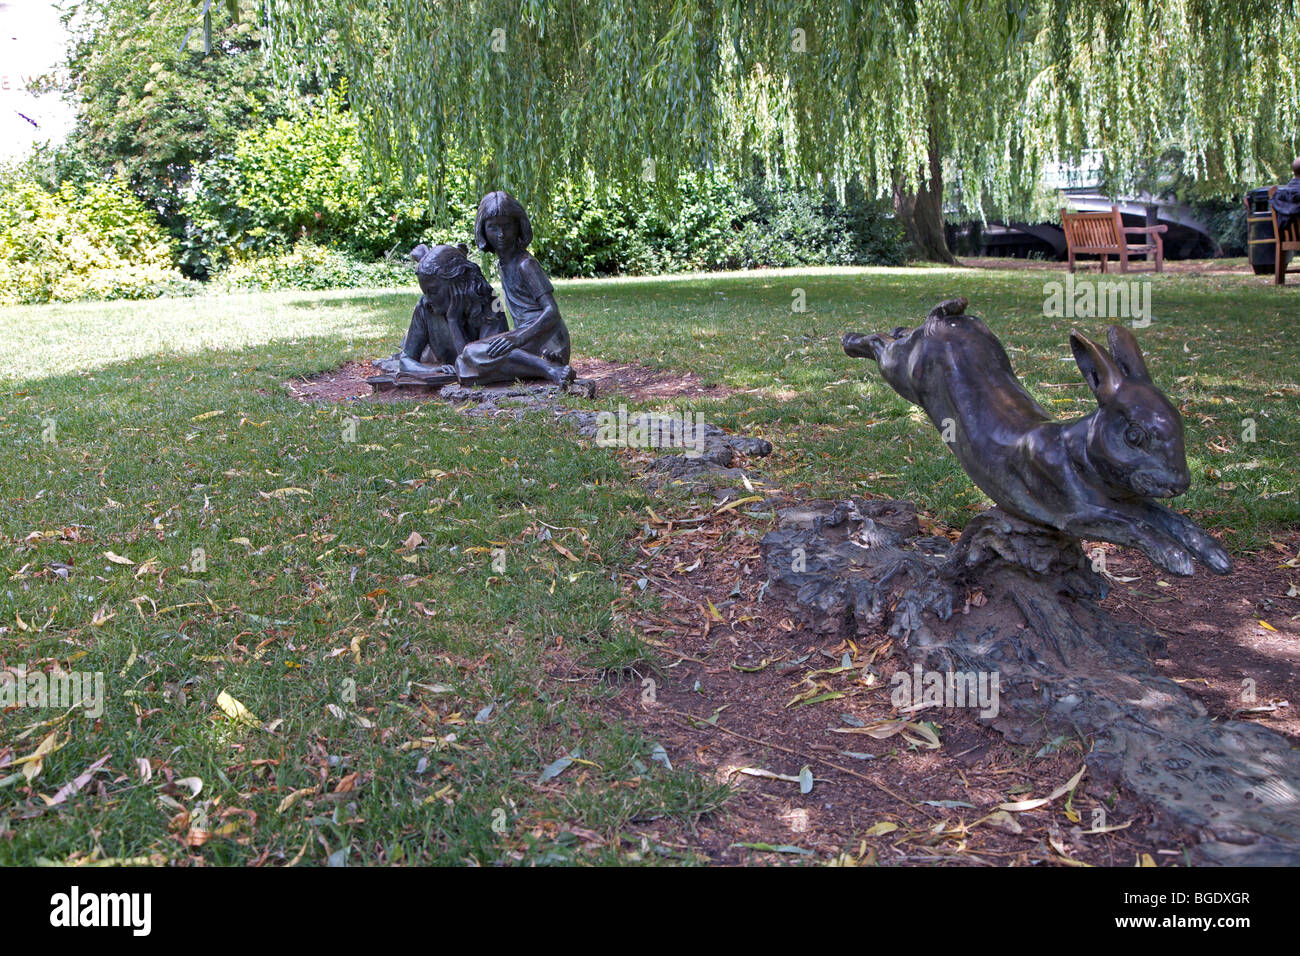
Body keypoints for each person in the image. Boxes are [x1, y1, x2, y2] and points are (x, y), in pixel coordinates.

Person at [455, 191, 575, 387]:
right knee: (464, 367)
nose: (501, 234)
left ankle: (550, 369)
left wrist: (516, 338)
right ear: (483, 230)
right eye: (493, 227)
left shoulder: (525, 264)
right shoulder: (503, 264)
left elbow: (552, 312)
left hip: (547, 338)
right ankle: (534, 366)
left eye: (507, 226)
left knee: (471, 353)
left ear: (519, 225)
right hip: (525, 338)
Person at [376, 243, 506, 383]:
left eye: (433, 292)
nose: (428, 299)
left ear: (457, 284)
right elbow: (406, 360)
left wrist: (454, 321)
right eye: (425, 292)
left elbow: (476, 367)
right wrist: (431, 370)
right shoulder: (425, 306)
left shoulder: (490, 305)